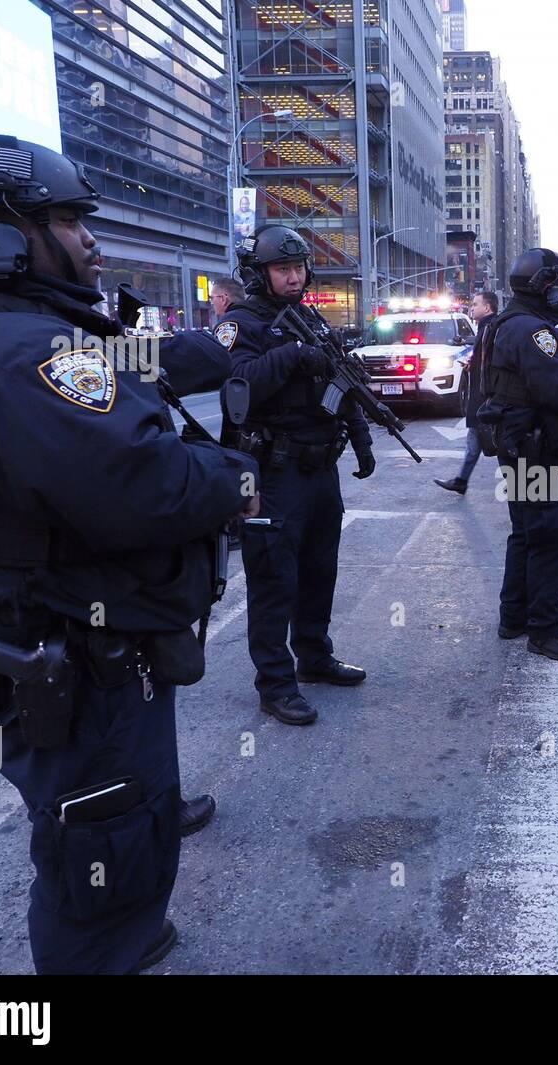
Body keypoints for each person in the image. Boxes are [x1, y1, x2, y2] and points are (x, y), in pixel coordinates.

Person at [0, 134, 258, 973]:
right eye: (66, 219)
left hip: (64, 646)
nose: (90, 239)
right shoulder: (18, 351)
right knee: (100, 845)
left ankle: (130, 936)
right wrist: (232, 475)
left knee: (118, 824)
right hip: (74, 658)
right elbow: (151, 484)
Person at [215, 225, 374, 726]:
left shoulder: (309, 318)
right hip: (276, 470)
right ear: (260, 274)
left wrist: (362, 435)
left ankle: (313, 655)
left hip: (320, 466)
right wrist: (290, 356)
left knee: (319, 570)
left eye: (299, 268)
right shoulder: (242, 324)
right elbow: (238, 388)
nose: (293, 276)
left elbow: (340, 383)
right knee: (273, 579)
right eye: (282, 269)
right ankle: (276, 684)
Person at [478, 248, 558, 662]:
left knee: (526, 532)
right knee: (551, 537)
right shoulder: (531, 331)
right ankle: (545, 629)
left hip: (520, 446)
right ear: (541, 287)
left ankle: (514, 616)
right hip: (536, 450)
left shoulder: (512, 324)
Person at [435, 290, 499, 496]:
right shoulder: (485, 327)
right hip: (480, 397)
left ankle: (517, 481)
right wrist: (472, 363)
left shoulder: (491, 327)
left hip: (485, 398)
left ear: (487, 308)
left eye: (475, 304)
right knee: (476, 443)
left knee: (498, 443)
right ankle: (461, 481)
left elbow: (494, 362)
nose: (471, 307)